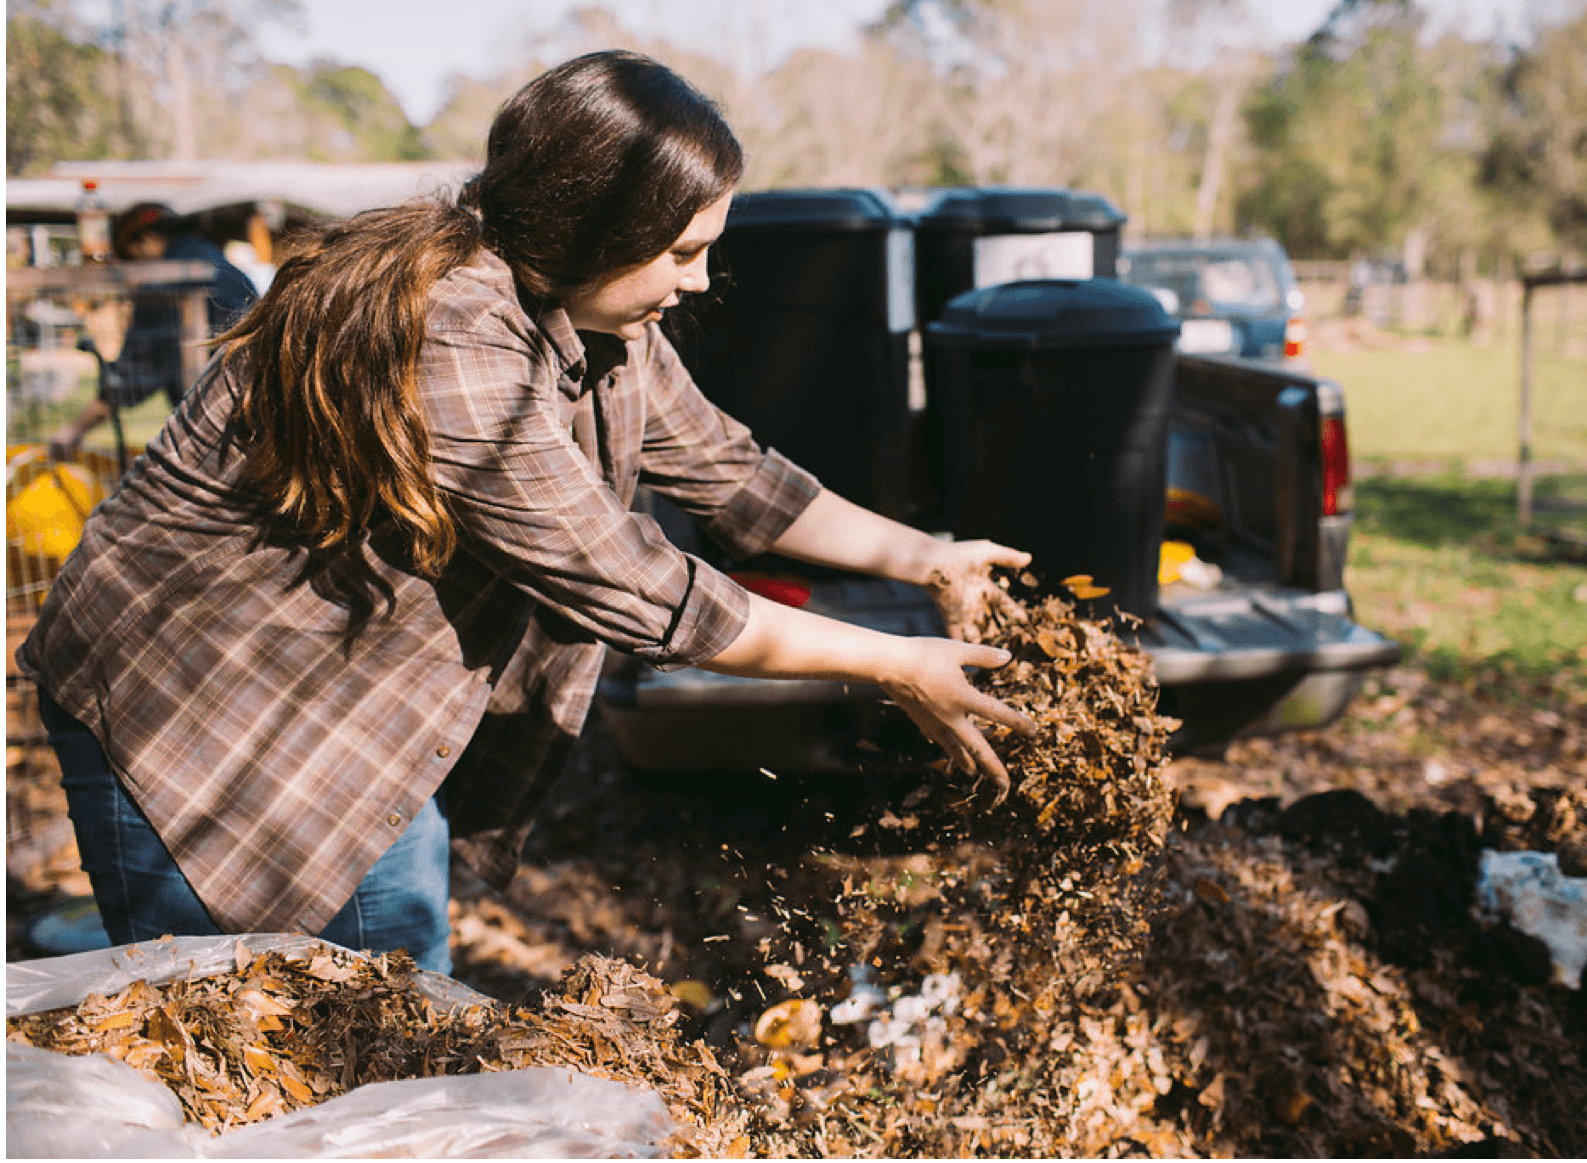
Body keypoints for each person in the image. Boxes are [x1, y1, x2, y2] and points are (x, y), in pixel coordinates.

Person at [18, 51, 1035, 975]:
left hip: (355, 703)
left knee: (392, 991)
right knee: (229, 1013)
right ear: (594, 229)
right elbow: (637, 586)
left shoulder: (607, 322)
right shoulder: (449, 334)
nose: (699, 281)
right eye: (681, 251)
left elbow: (735, 476)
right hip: (193, 695)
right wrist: (895, 662)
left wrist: (929, 557)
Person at [49, 202, 260, 459]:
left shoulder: (165, 283)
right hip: (258, 419)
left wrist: (74, 430)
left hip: (218, 435)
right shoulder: (226, 268)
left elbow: (132, 375)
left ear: (146, 241)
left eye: (132, 259)